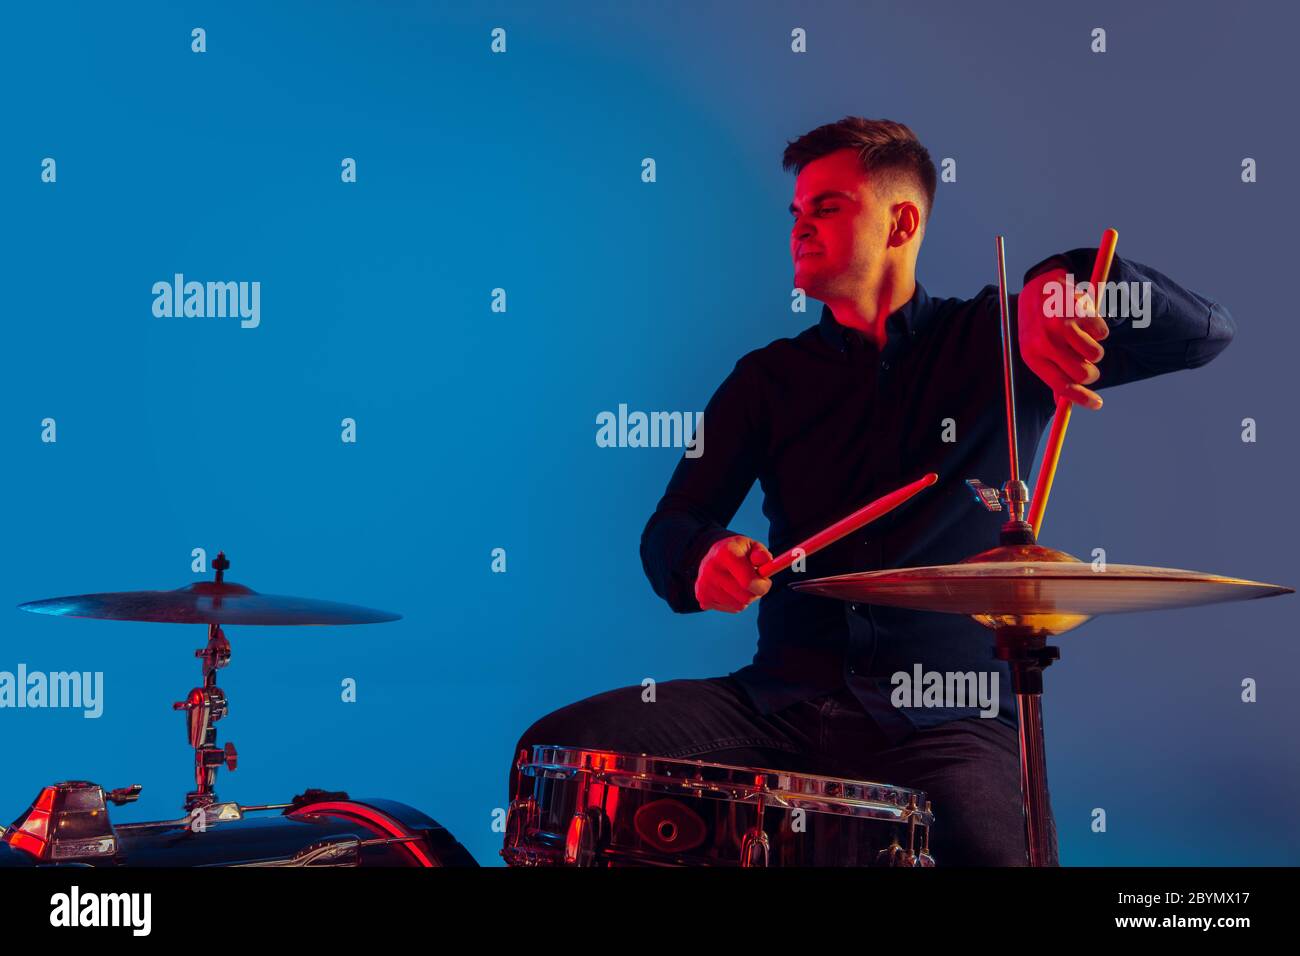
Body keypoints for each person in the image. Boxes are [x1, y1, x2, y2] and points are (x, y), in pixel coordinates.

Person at [508, 117, 1235, 865]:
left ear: (902, 221)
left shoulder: (1003, 335)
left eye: (826, 208)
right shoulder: (765, 379)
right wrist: (703, 556)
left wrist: (1063, 280)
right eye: (796, 212)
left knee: (994, 856)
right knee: (559, 756)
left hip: (949, 717)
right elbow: (671, 524)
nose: (800, 228)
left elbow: (1205, 332)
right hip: (781, 703)